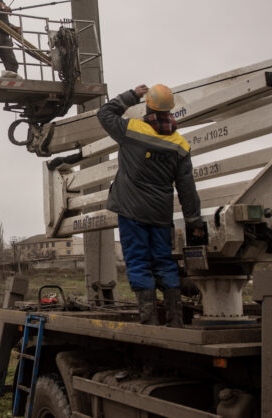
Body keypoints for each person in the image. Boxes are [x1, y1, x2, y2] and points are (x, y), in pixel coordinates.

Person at [97, 84, 205, 327]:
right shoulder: (180, 145)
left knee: (138, 262)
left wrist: (131, 95)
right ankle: (175, 320)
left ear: (148, 106)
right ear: (170, 109)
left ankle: (150, 321)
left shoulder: (131, 130)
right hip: (160, 215)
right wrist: (194, 222)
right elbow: (187, 189)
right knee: (164, 262)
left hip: (131, 211)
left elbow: (104, 114)